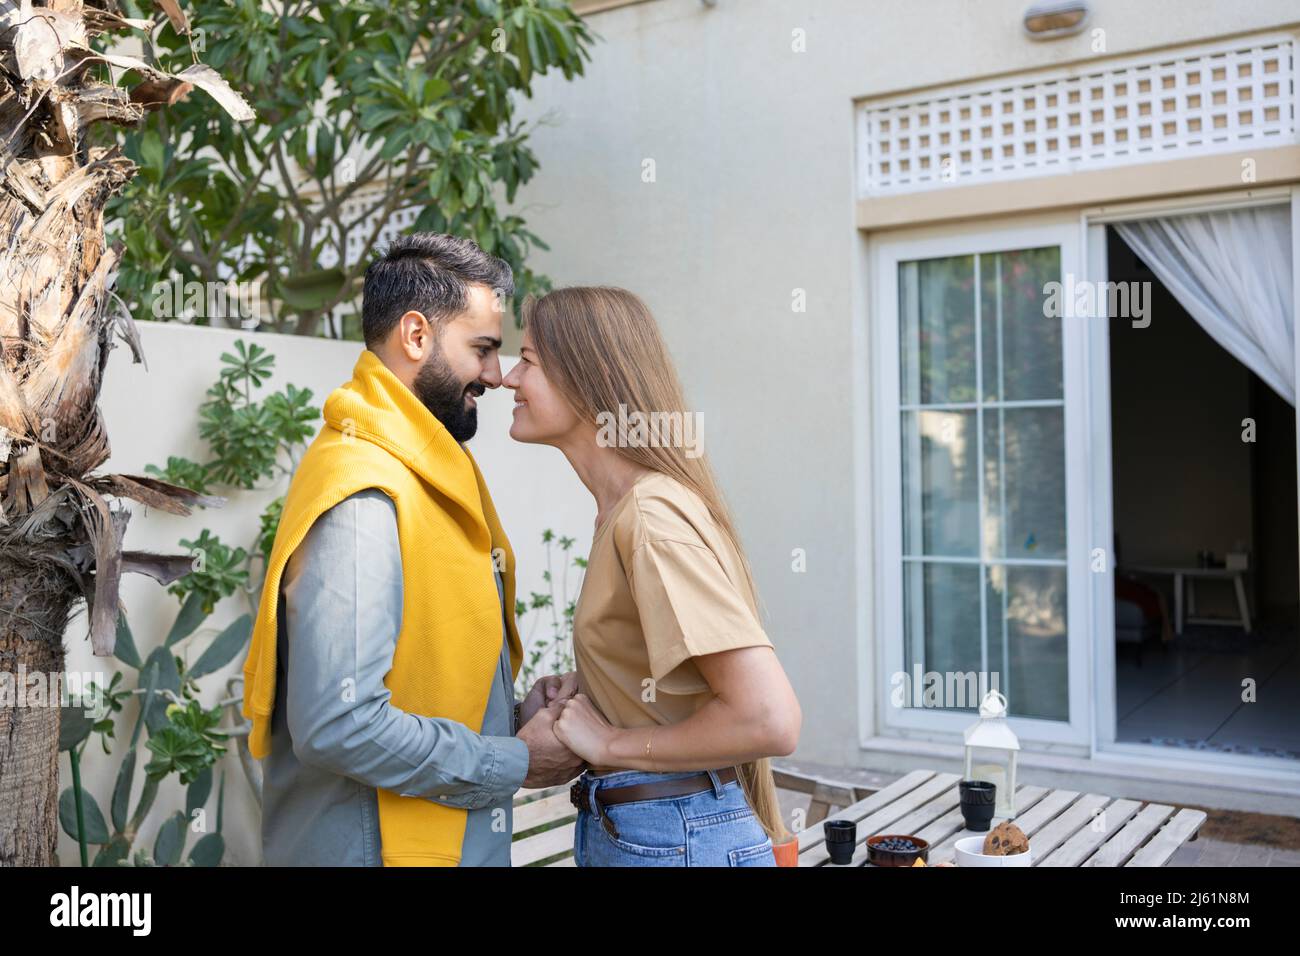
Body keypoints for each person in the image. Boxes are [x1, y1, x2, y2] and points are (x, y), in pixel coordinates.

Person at [241, 233, 584, 867]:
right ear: (417, 336)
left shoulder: (425, 474)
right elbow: (340, 724)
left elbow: (414, 687)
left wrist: (506, 720)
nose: (494, 374)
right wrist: (517, 760)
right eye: (481, 348)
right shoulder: (364, 496)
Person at [502, 286, 802, 866]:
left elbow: (769, 718)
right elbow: (682, 689)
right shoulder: (621, 511)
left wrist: (611, 741)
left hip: (673, 836)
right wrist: (594, 690)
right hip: (651, 830)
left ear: (586, 380)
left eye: (529, 360)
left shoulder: (649, 516)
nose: (510, 378)